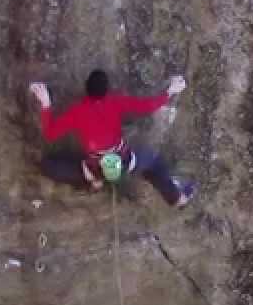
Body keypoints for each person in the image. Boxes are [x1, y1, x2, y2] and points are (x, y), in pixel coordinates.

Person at [29, 69, 195, 206]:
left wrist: (46, 103)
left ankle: (94, 183)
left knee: (48, 165)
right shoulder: (115, 102)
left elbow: (50, 133)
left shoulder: (77, 112)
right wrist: (170, 91)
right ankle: (176, 197)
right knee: (154, 161)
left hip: (93, 170)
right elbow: (148, 105)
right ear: (107, 89)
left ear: (86, 88)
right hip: (124, 163)